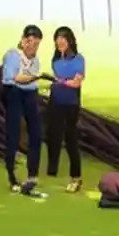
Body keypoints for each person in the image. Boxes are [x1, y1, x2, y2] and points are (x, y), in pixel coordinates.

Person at [1, 24, 46, 197]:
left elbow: (31, 82)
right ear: (23, 40)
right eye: (29, 41)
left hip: (30, 94)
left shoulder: (35, 60)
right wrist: (37, 77)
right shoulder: (13, 55)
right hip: (13, 92)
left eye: (36, 44)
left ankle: (32, 175)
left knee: (36, 133)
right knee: (13, 133)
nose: (31, 46)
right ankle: (12, 176)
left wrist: (36, 79)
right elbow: (16, 78)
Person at [45, 26, 85, 192]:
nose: (60, 42)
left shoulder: (78, 59)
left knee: (70, 139)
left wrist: (59, 81)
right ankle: (51, 170)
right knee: (52, 135)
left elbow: (77, 82)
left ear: (70, 41)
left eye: (63, 39)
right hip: (55, 102)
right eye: (57, 39)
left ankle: (76, 174)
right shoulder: (56, 60)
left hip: (71, 104)